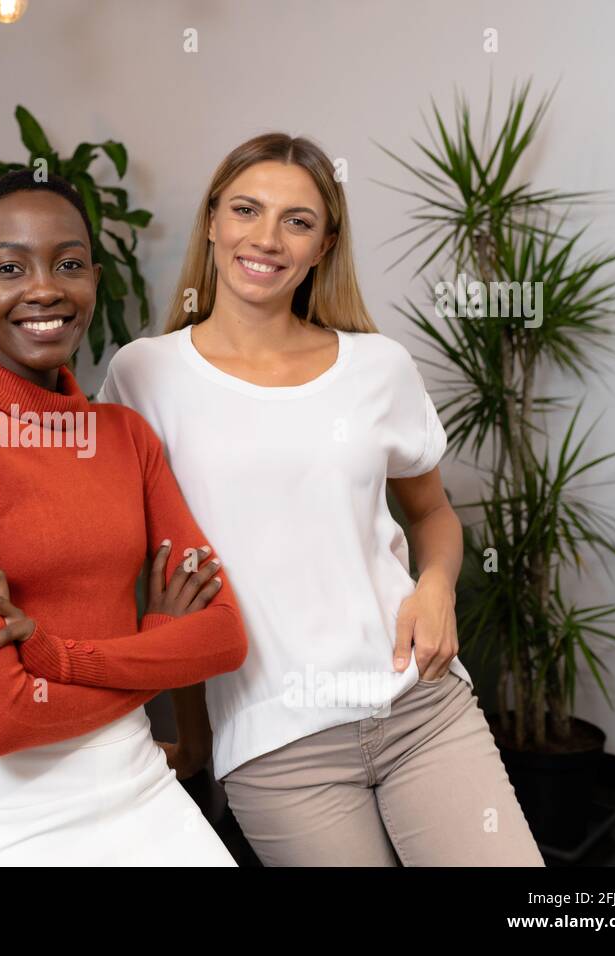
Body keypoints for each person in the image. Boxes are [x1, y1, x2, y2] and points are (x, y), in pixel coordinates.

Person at [97, 133, 544, 866]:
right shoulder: (145, 374)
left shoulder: (378, 365)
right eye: (246, 209)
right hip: (278, 745)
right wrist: (194, 729)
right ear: (213, 220)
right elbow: (149, 562)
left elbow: (431, 513)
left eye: (297, 221)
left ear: (323, 244)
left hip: (420, 703)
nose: (266, 239)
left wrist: (436, 590)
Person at [0, 169, 248, 866]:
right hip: (2, 813)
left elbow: (224, 637)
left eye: (68, 264)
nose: (44, 289)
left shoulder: (126, 437)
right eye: (9, 268)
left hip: (140, 784)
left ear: (93, 277)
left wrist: (55, 655)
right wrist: (159, 643)